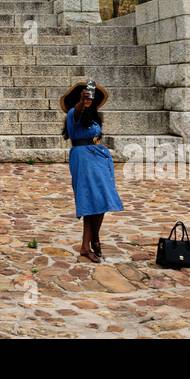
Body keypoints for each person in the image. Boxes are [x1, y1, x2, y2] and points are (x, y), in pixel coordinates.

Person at [60, 78, 124, 263]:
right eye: (84, 96)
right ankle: (86, 246)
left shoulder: (94, 117)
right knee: (90, 199)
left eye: (90, 96)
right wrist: (82, 102)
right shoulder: (74, 113)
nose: (88, 99)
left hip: (98, 158)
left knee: (101, 198)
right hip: (85, 159)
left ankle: (94, 237)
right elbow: (78, 111)